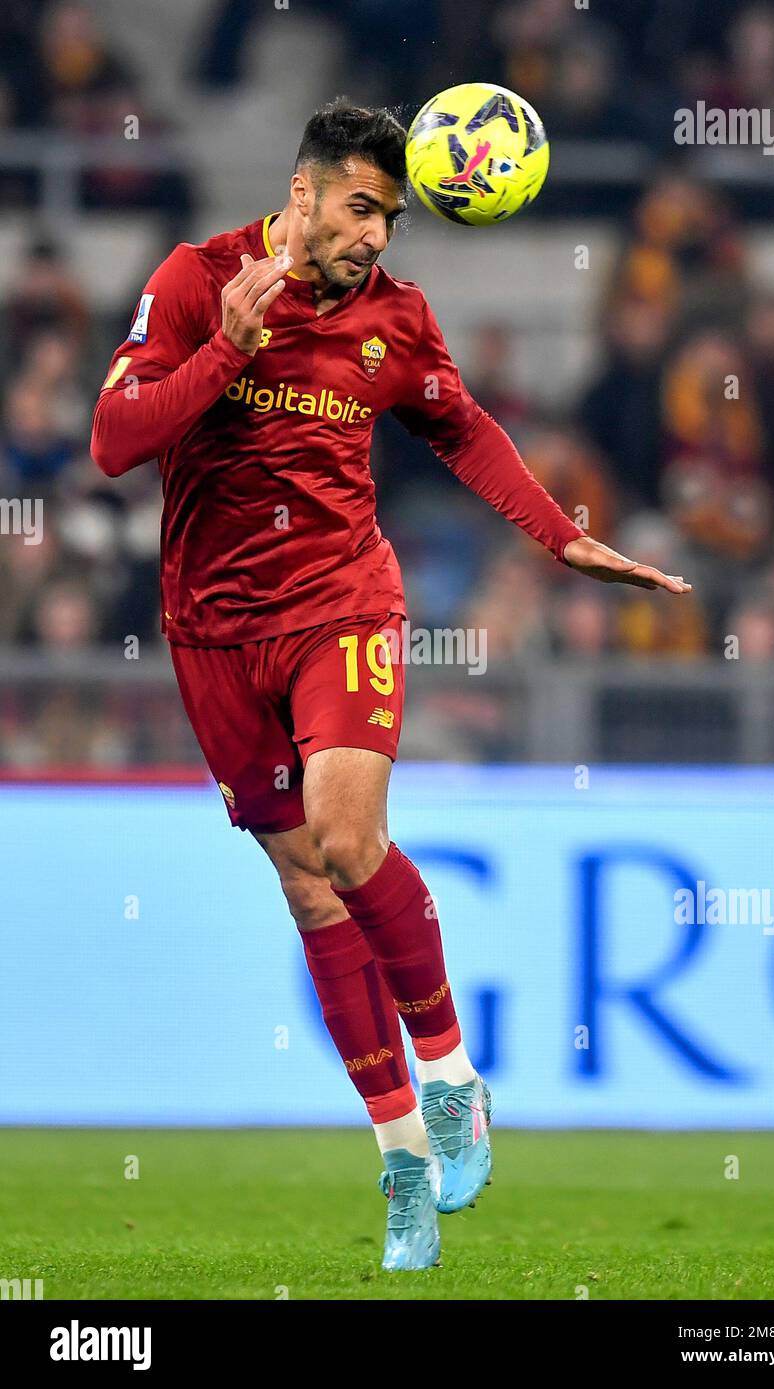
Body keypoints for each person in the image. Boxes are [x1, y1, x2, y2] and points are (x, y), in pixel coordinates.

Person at [91, 100, 690, 1271]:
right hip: (213, 632)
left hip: (342, 605)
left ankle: (455, 1075)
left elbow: (457, 429)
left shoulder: (394, 321)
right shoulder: (197, 277)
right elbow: (115, 439)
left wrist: (557, 536)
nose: (374, 235)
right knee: (310, 895)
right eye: (359, 208)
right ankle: (402, 1156)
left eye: (391, 216)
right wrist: (228, 347)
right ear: (301, 194)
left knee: (347, 832)